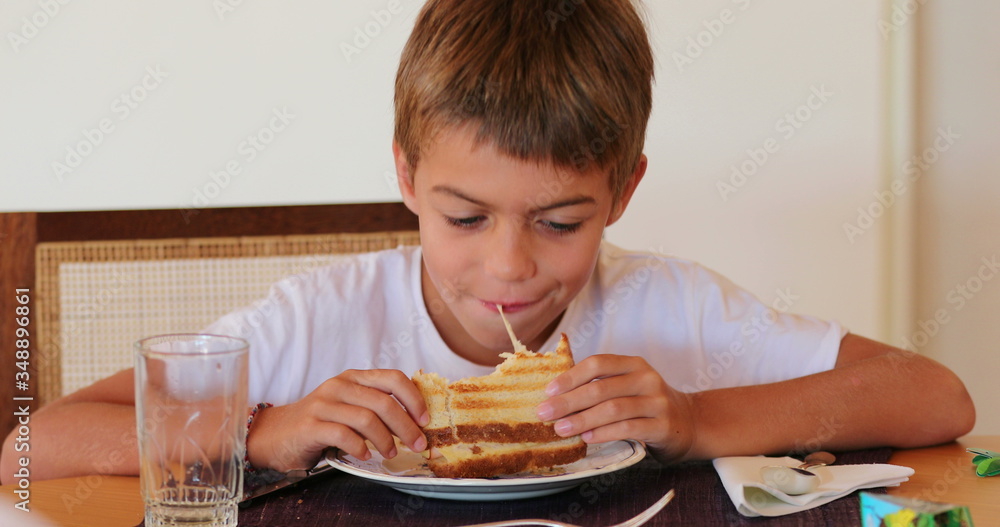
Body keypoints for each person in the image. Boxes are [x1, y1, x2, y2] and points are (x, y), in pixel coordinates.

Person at [1, 0, 974, 483]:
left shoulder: (670, 307)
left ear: (622, 191)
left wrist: (696, 417)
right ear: (406, 178)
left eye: (559, 222)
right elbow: (32, 442)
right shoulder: (322, 319)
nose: (508, 265)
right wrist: (262, 426)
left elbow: (937, 394)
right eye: (465, 216)